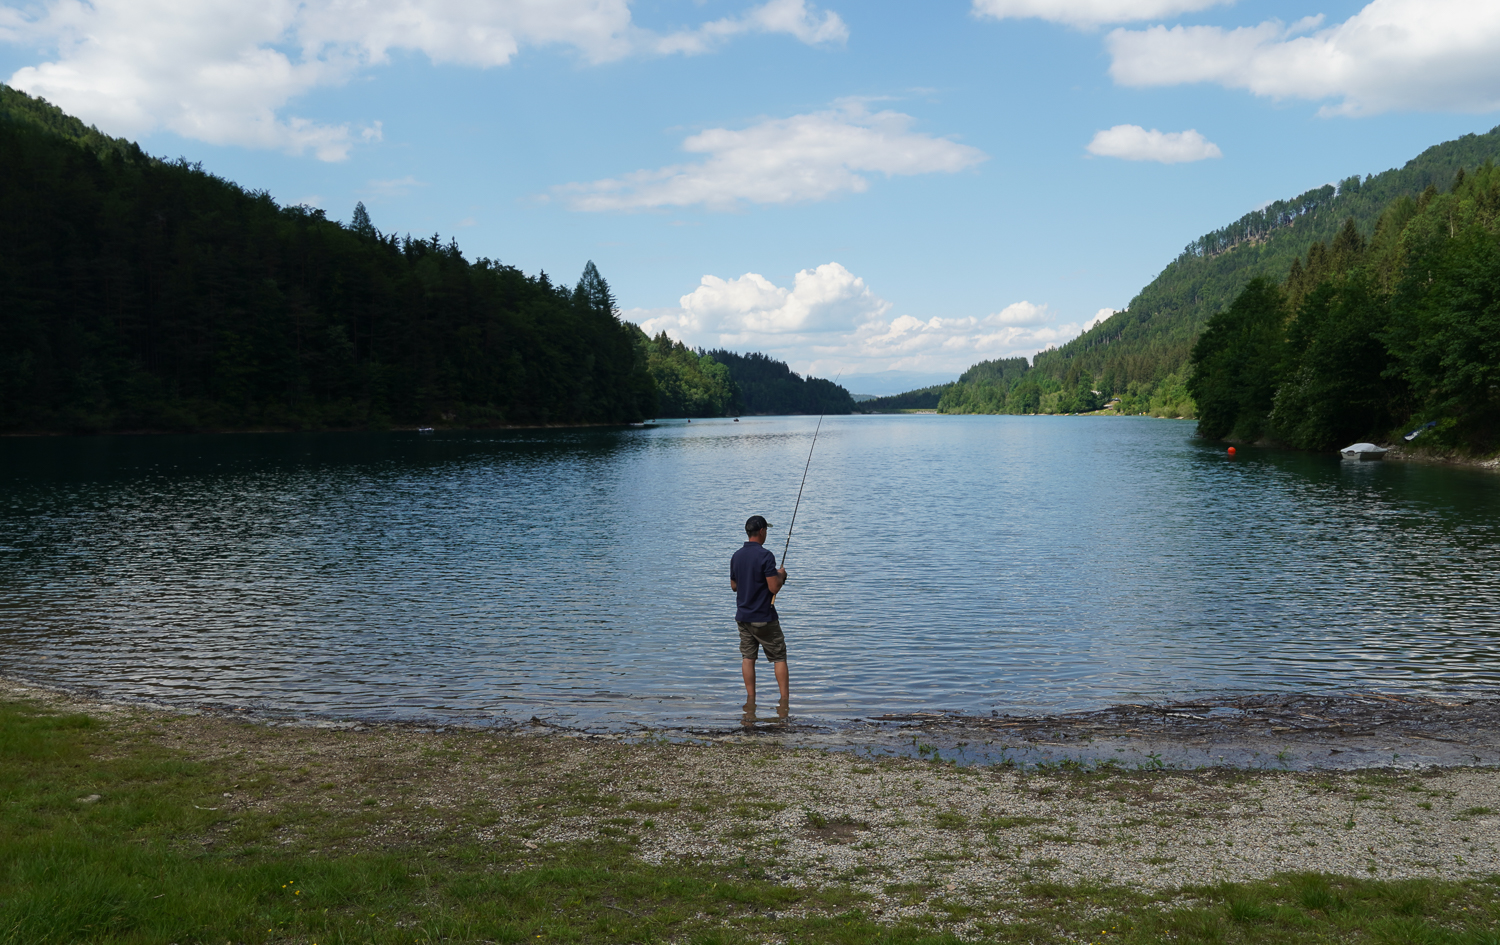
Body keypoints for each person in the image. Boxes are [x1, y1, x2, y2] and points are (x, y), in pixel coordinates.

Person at [729, 514, 789, 711]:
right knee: (779, 657)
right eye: (766, 531)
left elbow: (734, 586)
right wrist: (781, 575)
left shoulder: (736, 556)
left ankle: (751, 700)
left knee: (748, 657)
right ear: (762, 531)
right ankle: (784, 703)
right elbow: (774, 588)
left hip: (743, 617)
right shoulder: (766, 555)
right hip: (764, 618)